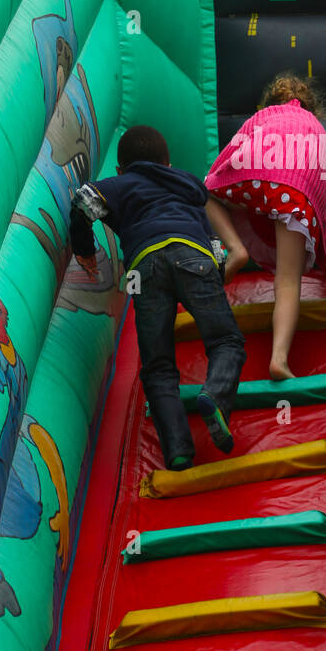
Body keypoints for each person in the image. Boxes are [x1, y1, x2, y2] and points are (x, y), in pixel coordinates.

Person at [69, 125, 245, 472]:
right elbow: (208, 233)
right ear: (168, 164)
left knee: (158, 366)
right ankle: (214, 395)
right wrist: (216, 271)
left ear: (120, 169)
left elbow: (82, 201)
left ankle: (178, 451)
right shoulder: (189, 184)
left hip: (142, 269)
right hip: (195, 257)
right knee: (226, 340)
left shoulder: (119, 184)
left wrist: (84, 249)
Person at [204, 74, 326, 381]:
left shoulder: (261, 117)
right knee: (287, 282)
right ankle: (279, 359)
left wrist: (222, 186)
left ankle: (236, 249)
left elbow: (223, 165)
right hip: (294, 194)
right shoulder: (317, 131)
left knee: (205, 192)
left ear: (271, 101)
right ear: (311, 107)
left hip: (257, 178)